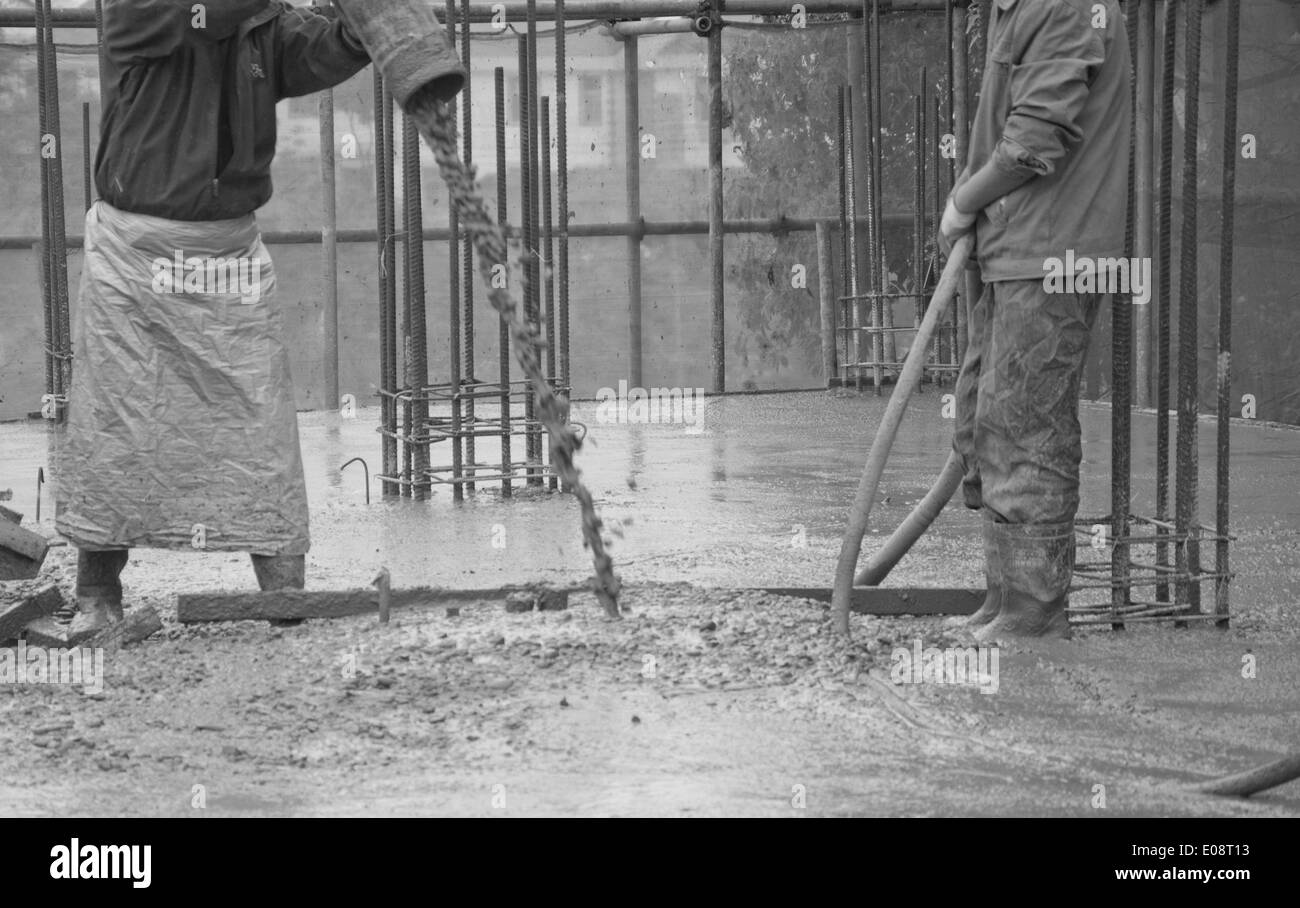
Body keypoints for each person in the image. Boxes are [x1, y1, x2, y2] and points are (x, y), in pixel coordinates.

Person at [54, 0, 462, 640]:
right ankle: (98, 591)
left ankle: (284, 596)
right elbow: (204, 16)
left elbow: (320, 49)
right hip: (135, 255)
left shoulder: (263, 28)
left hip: (228, 255)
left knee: (261, 425)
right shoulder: (140, 9)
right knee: (119, 426)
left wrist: (365, 23)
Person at [939, 0, 1131, 640]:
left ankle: (1035, 609)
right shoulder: (1015, 7)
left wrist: (964, 201)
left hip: (1053, 252)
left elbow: (1031, 142)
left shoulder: (1064, 4)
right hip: (1018, 248)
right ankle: (1005, 596)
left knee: (1025, 426)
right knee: (985, 420)